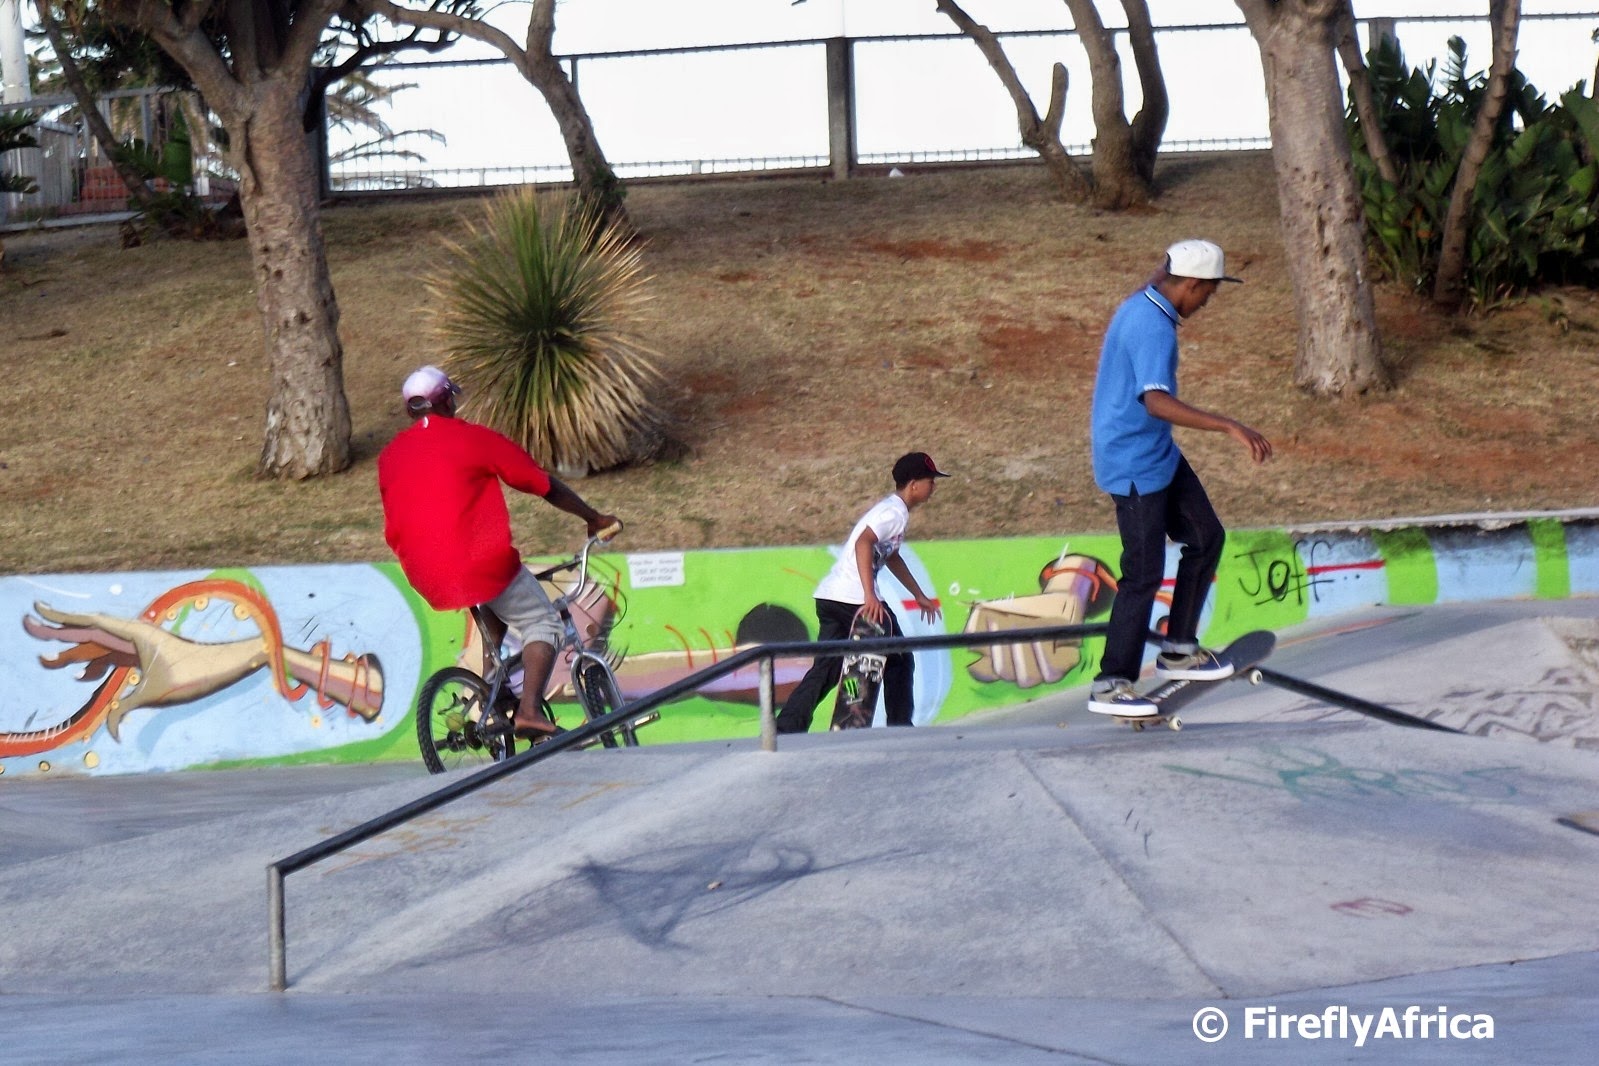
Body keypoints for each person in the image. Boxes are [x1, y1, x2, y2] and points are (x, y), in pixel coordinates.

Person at [378, 365, 621, 739]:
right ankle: (529, 712)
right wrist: (593, 517)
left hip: (424, 572)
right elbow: (540, 483)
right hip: (479, 561)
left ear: (410, 410)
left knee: (495, 617)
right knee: (543, 624)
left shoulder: (390, 456)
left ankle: (491, 698)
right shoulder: (473, 439)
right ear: (447, 402)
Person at [1086, 239, 1272, 718]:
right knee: (1143, 574)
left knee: (1206, 537)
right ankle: (1111, 682)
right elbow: (1156, 402)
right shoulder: (1153, 326)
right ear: (1190, 284)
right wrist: (1229, 425)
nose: (1208, 301)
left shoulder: (1147, 300)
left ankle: (1179, 650)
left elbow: (1159, 272)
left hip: (1158, 455)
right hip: (1132, 464)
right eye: (1209, 291)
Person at [775, 452, 947, 734]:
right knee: (900, 656)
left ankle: (786, 726)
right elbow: (864, 543)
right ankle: (900, 726)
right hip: (853, 598)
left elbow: (891, 556)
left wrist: (917, 594)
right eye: (931, 481)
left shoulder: (891, 511)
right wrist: (870, 595)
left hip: (831, 596)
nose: (934, 487)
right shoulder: (894, 513)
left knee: (828, 667)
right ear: (914, 484)